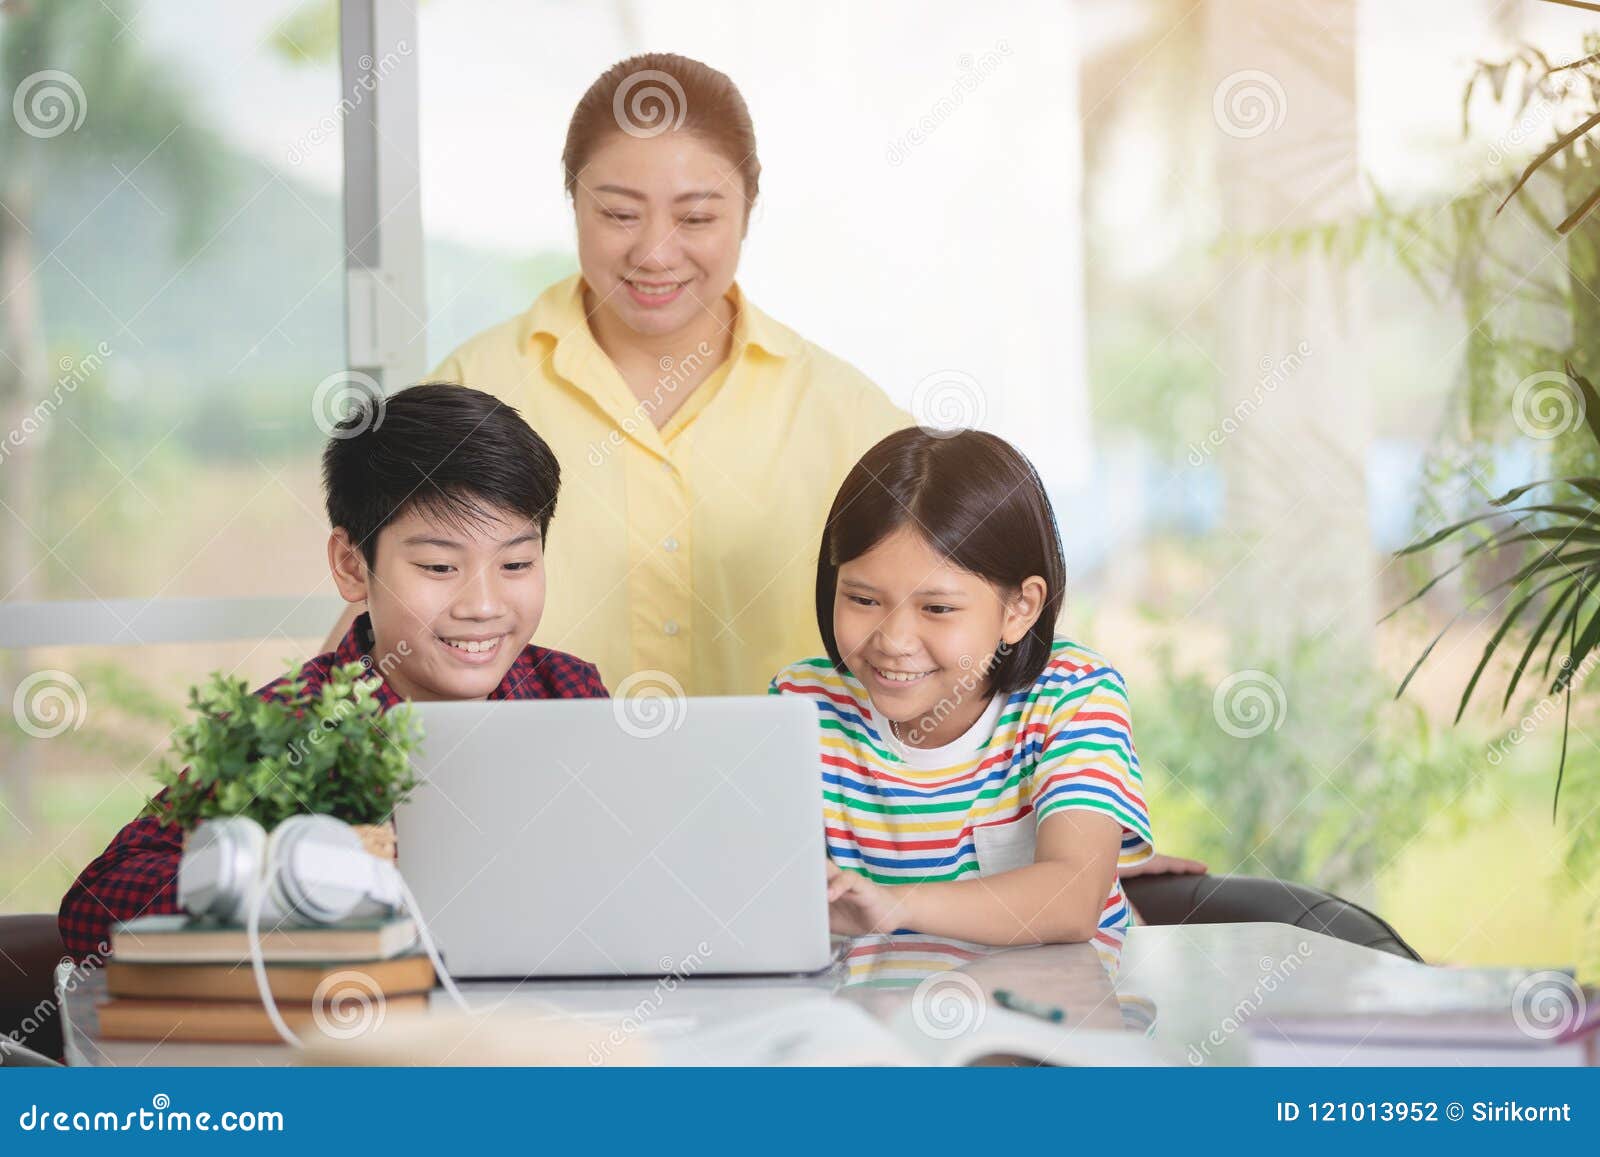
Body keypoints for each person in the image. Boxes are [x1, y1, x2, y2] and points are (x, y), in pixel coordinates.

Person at [333, 52, 910, 695]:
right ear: (572, 200)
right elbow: (381, 622)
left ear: (750, 208)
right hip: (527, 790)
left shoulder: (850, 416)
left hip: (787, 792)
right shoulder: (477, 384)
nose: (656, 254)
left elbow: (962, 625)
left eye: (695, 218)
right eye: (618, 214)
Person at [58, 384, 607, 961]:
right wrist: (301, 878)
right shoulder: (289, 726)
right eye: (440, 566)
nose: (483, 605)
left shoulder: (569, 693)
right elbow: (95, 904)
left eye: (516, 563)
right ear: (352, 566)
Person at [772, 428, 1200, 953]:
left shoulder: (1074, 695)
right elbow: (765, 887)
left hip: (1064, 1019)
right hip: (876, 1018)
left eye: (938, 609)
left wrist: (896, 905)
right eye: (862, 599)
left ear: (1019, 608)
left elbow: (1071, 898)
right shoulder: (800, 704)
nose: (893, 641)